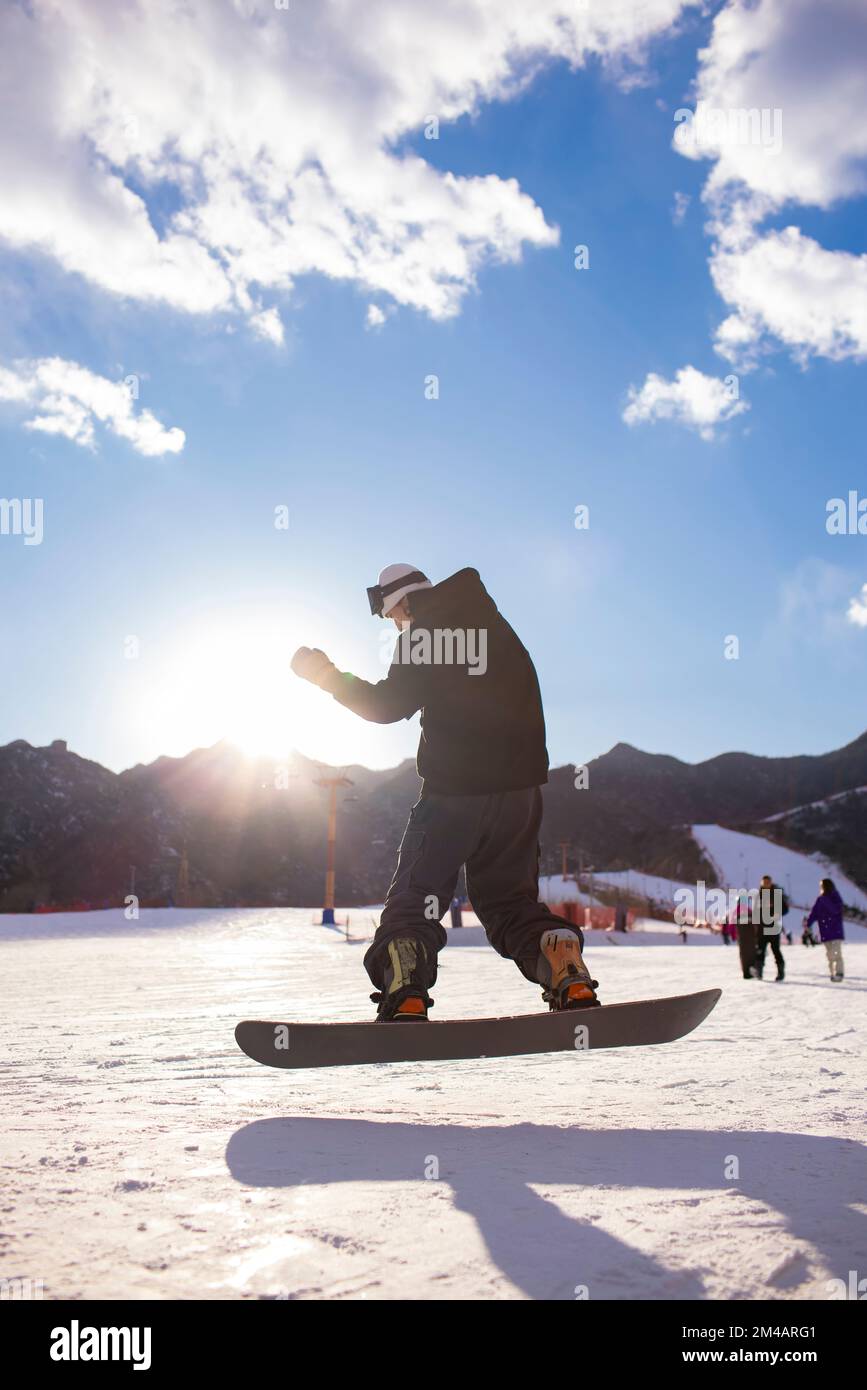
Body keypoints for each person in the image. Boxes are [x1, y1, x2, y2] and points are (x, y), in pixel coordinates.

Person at [291, 564, 599, 1021]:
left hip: (454, 795)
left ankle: (407, 988)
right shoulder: (497, 626)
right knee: (511, 905)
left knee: (415, 901)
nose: (395, 623)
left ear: (403, 600)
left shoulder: (424, 633)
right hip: (520, 797)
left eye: (392, 614)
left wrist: (325, 674)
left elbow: (385, 705)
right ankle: (563, 962)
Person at [805, 878, 846, 981]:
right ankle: (833, 973)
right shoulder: (820, 899)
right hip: (825, 931)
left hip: (835, 930)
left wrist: (825, 900)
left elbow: (836, 910)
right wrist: (808, 924)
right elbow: (814, 913)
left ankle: (839, 973)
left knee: (837, 953)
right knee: (830, 955)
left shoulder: (835, 896)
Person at [755, 874, 788, 981]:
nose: (766, 884)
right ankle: (759, 972)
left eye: (767, 882)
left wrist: (775, 910)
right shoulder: (758, 895)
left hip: (774, 927)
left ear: (771, 882)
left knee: (776, 950)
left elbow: (785, 909)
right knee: (760, 950)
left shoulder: (777, 894)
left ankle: (781, 972)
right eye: (764, 883)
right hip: (762, 928)